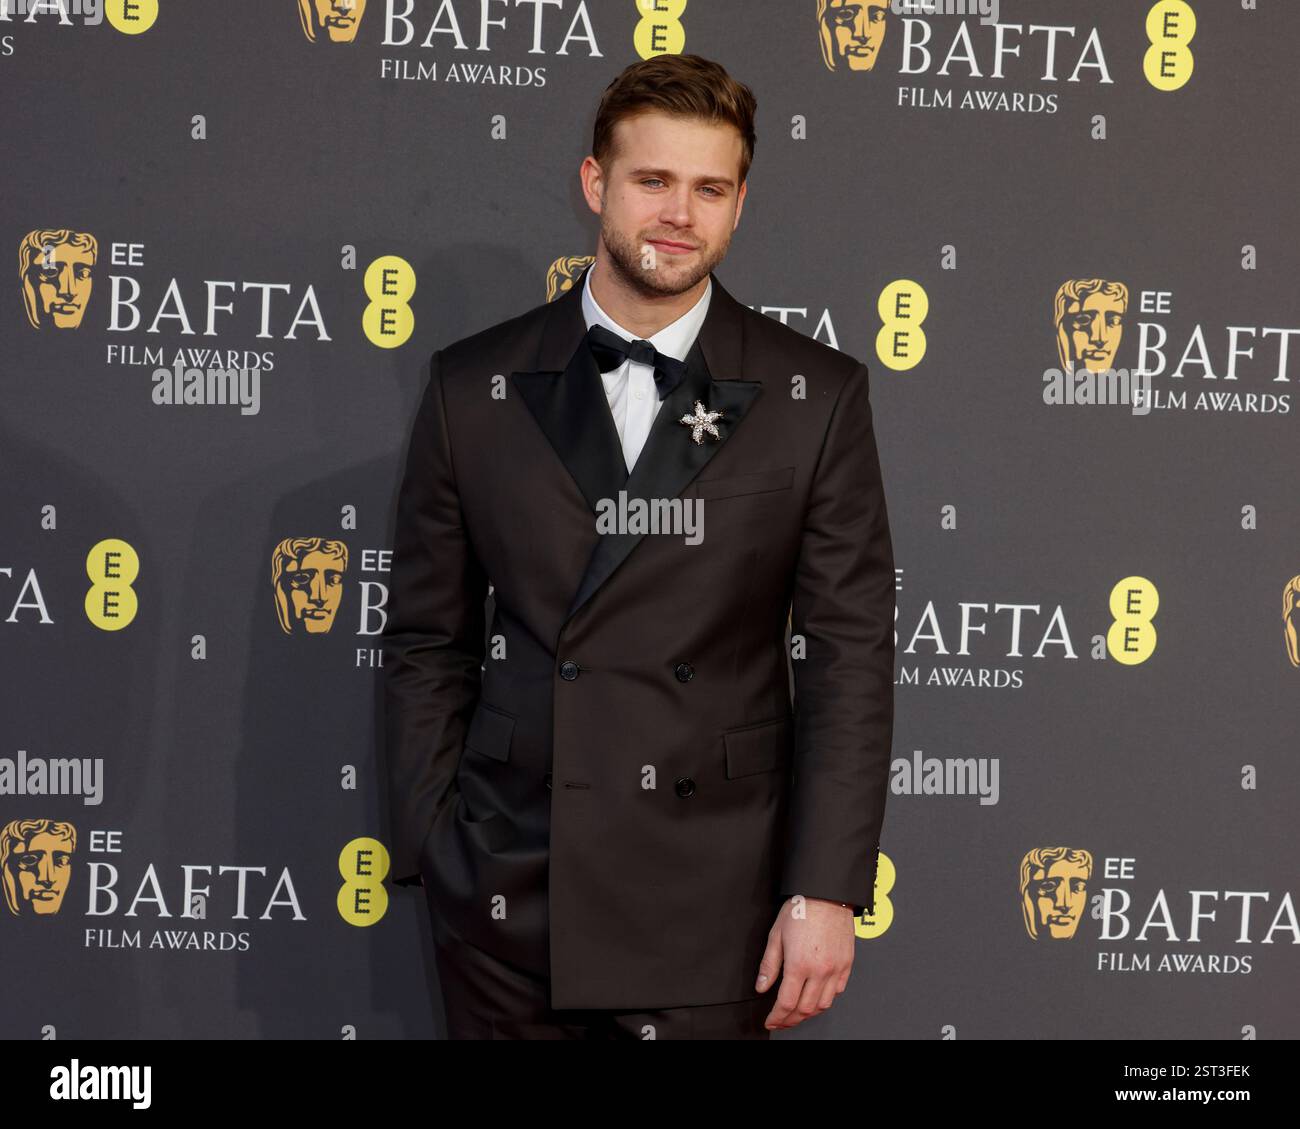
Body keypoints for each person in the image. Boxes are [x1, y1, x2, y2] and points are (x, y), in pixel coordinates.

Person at [383, 53, 895, 1040]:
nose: (677, 213)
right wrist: (436, 848)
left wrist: (826, 888)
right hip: (510, 895)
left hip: (716, 897)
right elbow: (423, 642)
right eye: (651, 180)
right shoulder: (473, 386)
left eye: (708, 188)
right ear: (594, 185)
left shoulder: (813, 396)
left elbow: (847, 658)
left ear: (740, 203)